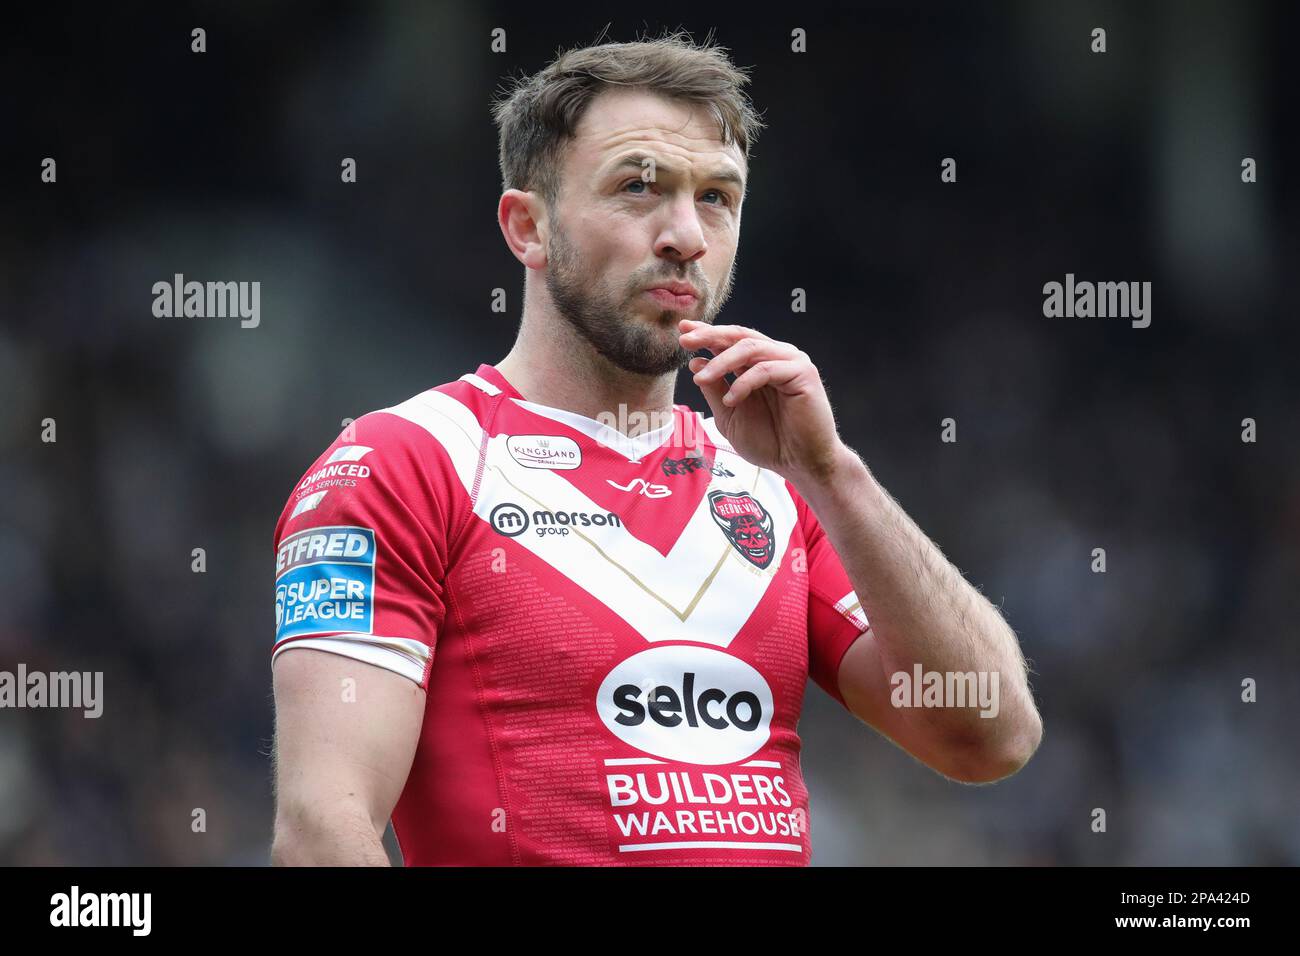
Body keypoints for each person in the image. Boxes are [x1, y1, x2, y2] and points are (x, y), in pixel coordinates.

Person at [269, 33, 1042, 866]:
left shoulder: (781, 490)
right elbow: (323, 832)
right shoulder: (404, 463)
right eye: (640, 186)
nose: (685, 235)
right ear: (528, 227)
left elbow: (989, 736)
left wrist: (833, 474)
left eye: (717, 197)